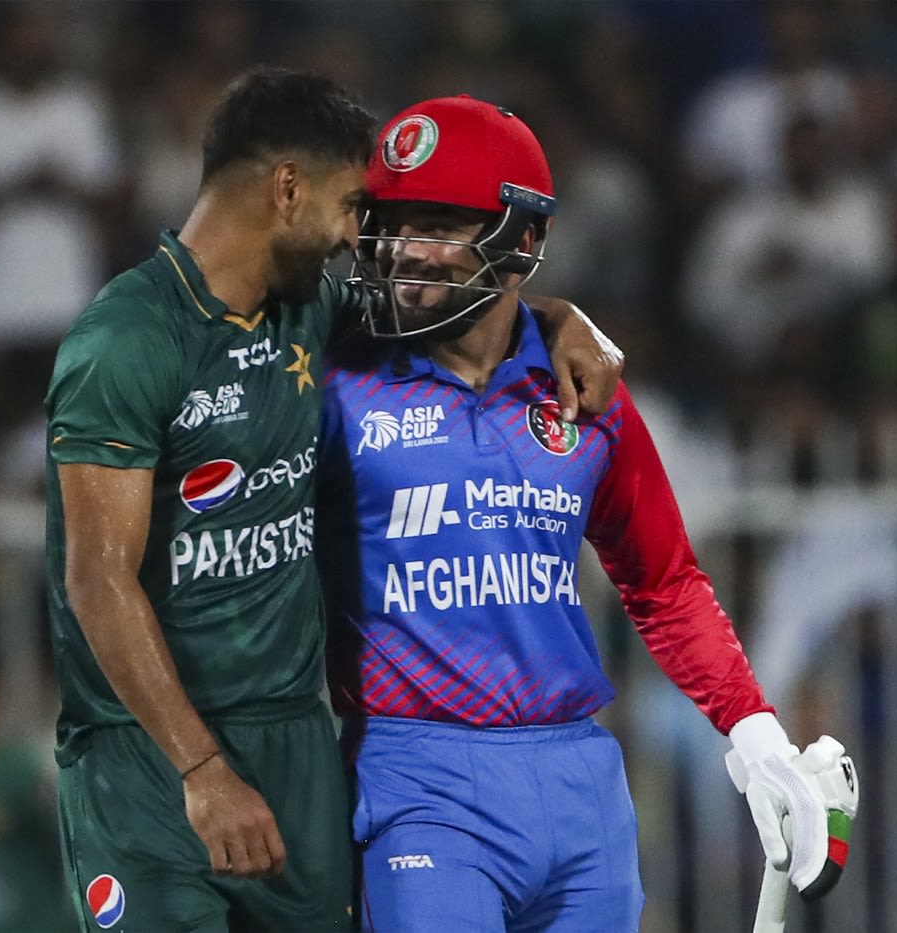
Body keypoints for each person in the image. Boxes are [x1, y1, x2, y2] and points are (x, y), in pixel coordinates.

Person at [44, 68, 622, 933]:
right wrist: (203, 771)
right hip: (148, 759)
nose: (360, 237)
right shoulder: (126, 339)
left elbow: (457, 303)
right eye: (353, 205)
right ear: (287, 188)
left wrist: (562, 317)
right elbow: (97, 580)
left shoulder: (310, 308)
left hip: (294, 747)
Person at [315, 94, 858, 932]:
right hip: (414, 777)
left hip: (582, 790)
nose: (407, 250)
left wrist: (755, 736)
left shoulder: (587, 390)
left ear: (523, 239)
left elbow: (663, 582)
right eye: (393, 225)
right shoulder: (333, 378)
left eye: (440, 225)